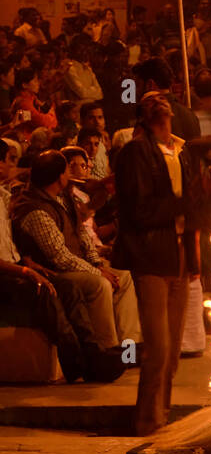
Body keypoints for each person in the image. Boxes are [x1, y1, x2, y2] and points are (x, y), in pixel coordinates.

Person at [113, 92, 202, 442]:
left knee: (173, 350)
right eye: (156, 106)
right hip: (150, 255)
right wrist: (185, 201)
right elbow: (139, 210)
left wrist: (195, 258)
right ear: (148, 117)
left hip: (178, 253)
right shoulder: (137, 152)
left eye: (166, 105)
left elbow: (191, 206)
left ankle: (161, 416)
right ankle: (147, 423)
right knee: (158, 347)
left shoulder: (180, 150)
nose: (163, 110)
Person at [11, 151, 140, 355]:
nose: (69, 174)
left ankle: (129, 351)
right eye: (66, 170)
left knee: (124, 279)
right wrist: (97, 273)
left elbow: (81, 233)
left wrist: (96, 264)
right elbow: (60, 258)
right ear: (58, 176)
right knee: (100, 284)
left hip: (78, 264)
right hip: (55, 272)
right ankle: (108, 350)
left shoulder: (63, 197)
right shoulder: (35, 209)